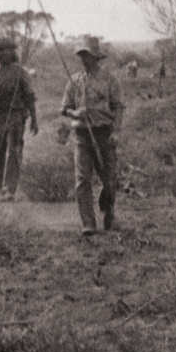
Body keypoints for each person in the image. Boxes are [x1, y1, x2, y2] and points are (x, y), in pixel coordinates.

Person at [60, 36, 125, 235]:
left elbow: (119, 107)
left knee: (110, 180)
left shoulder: (110, 79)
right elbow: (64, 108)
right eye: (81, 55)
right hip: (82, 135)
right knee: (82, 180)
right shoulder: (75, 81)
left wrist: (116, 132)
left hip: (104, 134)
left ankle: (109, 212)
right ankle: (88, 222)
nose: (83, 59)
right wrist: (75, 113)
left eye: (87, 55)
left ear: (96, 57)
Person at [0, 37, 38, 200]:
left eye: (6, 50)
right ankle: (1, 188)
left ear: (12, 52)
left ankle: (9, 189)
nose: (2, 54)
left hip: (15, 116)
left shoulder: (21, 72)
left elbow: (30, 97)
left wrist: (34, 119)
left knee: (13, 151)